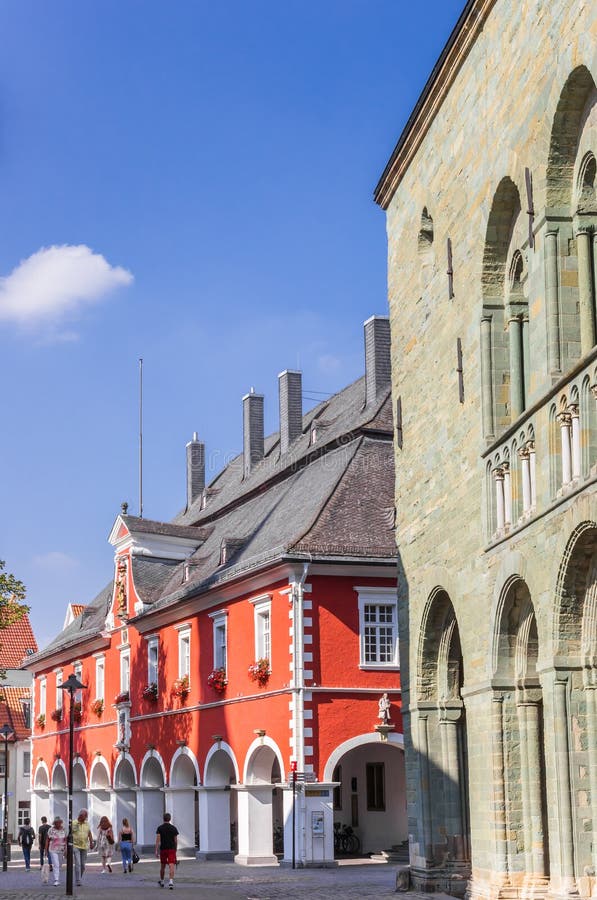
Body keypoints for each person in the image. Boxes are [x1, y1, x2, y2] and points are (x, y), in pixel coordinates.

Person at [155, 812, 178, 890]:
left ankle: (162, 881)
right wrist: (175, 849)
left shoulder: (160, 828)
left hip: (163, 849)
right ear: (170, 819)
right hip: (171, 849)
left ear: (163, 818)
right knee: (171, 865)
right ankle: (171, 882)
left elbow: (158, 840)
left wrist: (156, 850)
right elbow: (175, 841)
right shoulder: (173, 828)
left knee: (163, 866)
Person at [72, 808, 94, 887]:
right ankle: (78, 880)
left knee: (83, 865)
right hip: (75, 846)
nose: (87, 817)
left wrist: (91, 842)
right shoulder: (74, 823)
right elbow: (69, 834)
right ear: (81, 816)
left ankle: (79, 877)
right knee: (78, 863)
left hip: (84, 846)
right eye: (86, 816)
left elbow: (89, 833)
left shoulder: (87, 824)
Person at [46, 816, 66, 887]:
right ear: (54, 823)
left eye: (59, 823)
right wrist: (46, 850)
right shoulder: (51, 830)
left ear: (61, 823)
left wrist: (66, 850)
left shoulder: (64, 829)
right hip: (52, 849)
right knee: (56, 864)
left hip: (61, 849)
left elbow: (66, 840)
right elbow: (47, 840)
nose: (58, 824)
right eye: (56, 823)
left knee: (59, 864)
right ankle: (56, 880)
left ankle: (57, 878)